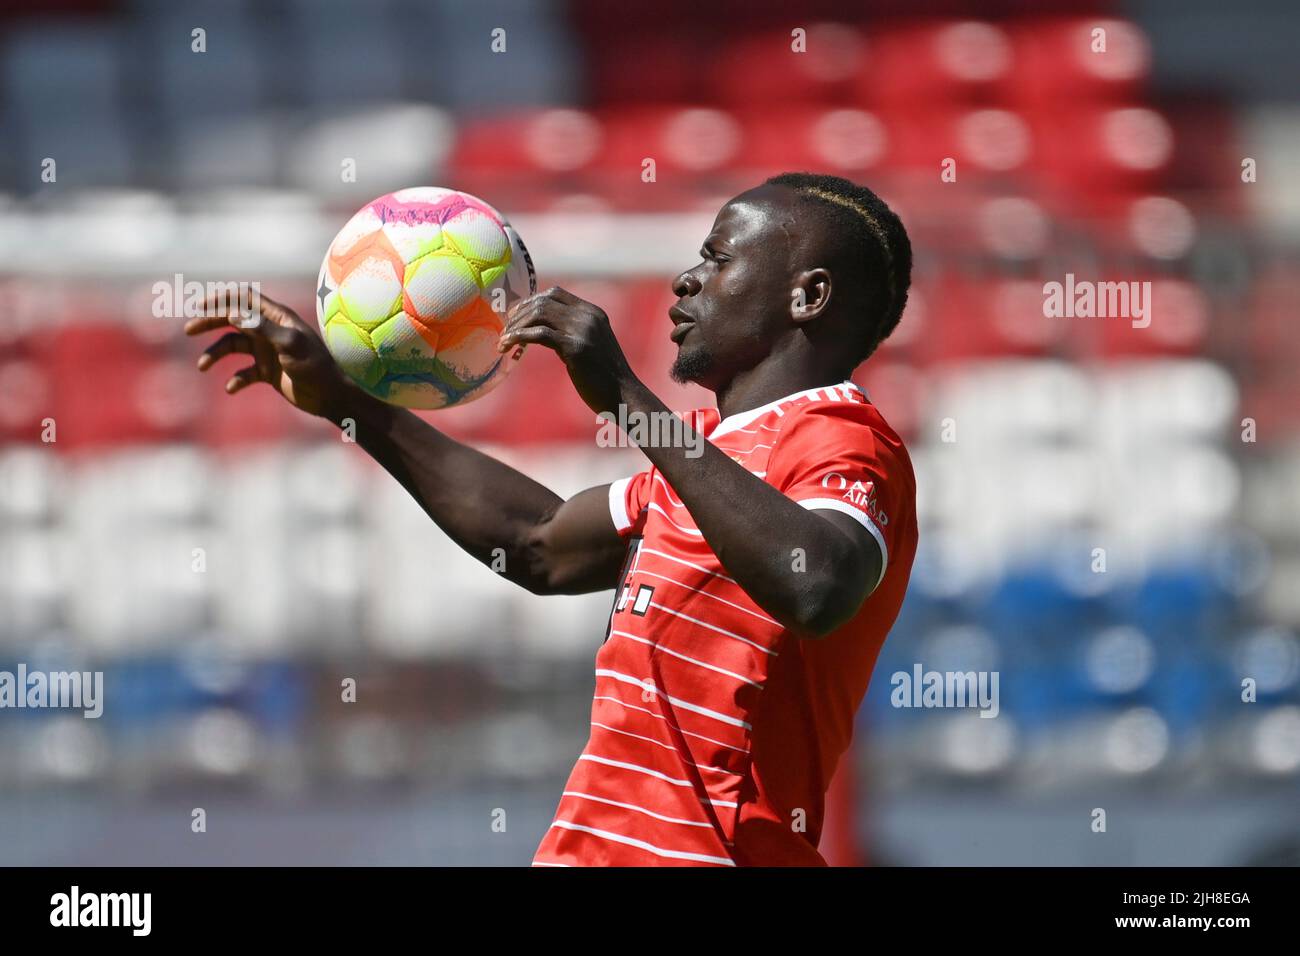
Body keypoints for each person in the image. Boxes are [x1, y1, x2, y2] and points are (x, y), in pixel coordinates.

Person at [186, 171, 917, 866]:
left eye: (718, 258)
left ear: (808, 295)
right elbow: (537, 543)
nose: (685, 280)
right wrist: (346, 400)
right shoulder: (705, 461)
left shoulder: (841, 437)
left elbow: (818, 583)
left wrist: (627, 399)